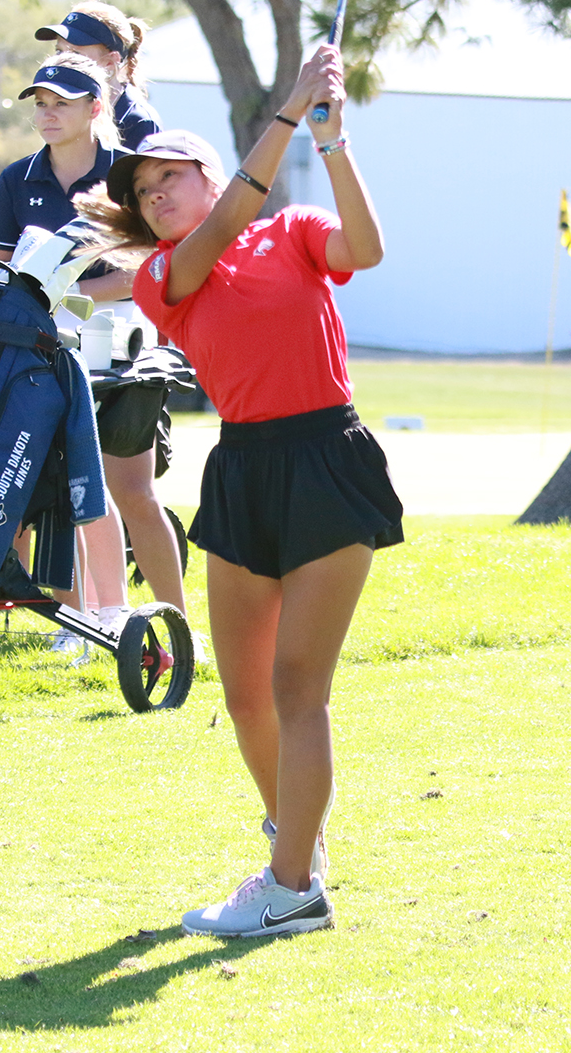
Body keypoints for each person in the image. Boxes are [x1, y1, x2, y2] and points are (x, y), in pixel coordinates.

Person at [74, 45, 400, 937]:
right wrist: (289, 109)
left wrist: (331, 142)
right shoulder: (162, 276)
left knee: (298, 686)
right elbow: (218, 232)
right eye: (144, 192)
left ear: (211, 175)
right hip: (244, 467)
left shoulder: (292, 231)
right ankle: (296, 843)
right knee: (246, 693)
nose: (155, 197)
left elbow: (366, 249)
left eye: (170, 178)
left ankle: (291, 887)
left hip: (326, 457)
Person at [36, 0, 188, 620]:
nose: (64, 60)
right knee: (74, 482)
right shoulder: (64, 123)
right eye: (59, 50)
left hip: (121, 328)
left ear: (118, 63)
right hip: (70, 324)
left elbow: (149, 252)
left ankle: (164, 619)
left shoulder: (138, 128)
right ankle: (86, 614)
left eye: (79, 51)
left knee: (126, 486)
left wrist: (60, 288)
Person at [0, 53, 141, 638]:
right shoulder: (15, 178)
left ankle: (107, 613)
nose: (47, 115)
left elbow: (141, 272)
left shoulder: (128, 173)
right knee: (43, 474)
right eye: (41, 105)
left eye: (62, 105)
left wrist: (64, 292)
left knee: (86, 476)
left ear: (95, 108)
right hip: (35, 339)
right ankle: (69, 615)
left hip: (113, 337)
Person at [34, 1, 162, 150]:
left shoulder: (139, 122)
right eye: (59, 51)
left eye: (75, 54)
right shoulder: (60, 114)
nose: (62, 62)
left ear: (109, 62)